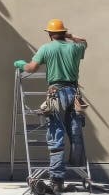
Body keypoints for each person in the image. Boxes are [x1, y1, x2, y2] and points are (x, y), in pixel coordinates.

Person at [14, 19, 88, 194]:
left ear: (49, 34)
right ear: (64, 33)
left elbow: (31, 68)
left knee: (56, 134)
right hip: (73, 93)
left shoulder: (46, 48)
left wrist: (20, 64)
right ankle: (76, 165)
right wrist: (70, 36)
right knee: (75, 131)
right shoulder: (75, 48)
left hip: (56, 95)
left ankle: (57, 180)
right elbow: (84, 42)